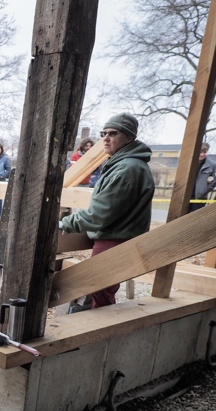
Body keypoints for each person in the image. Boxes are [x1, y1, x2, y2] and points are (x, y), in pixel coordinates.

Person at [59, 113, 154, 309]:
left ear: (129, 137)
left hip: (115, 239)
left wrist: (64, 224)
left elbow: (98, 216)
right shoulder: (123, 163)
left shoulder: (126, 169)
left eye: (113, 133)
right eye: (104, 133)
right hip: (116, 236)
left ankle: (98, 334)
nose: (106, 138)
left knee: (100, 293)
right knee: (101, 291)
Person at [189, 142, 216, 212]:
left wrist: (206, 189)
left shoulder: (213, 165)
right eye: (200, 152)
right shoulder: (189, 163)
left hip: (200, 198)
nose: (202, 154)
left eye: (204, 152)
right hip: (186, 197)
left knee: (196, 219)